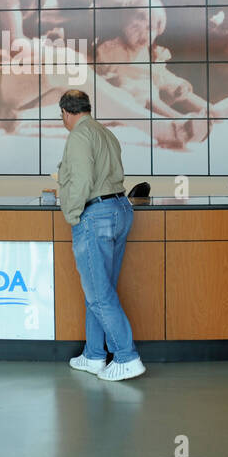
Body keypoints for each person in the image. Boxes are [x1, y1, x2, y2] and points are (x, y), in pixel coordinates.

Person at [57, 90, 144, 382]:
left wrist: (71, 214)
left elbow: (81, 180)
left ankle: (126, 357)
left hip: (95, 215)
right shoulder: (104, 133)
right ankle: (94, 354)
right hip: (119, 209)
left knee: (99, 294)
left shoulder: (79, 136)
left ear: (65, 113)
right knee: (99, 289)